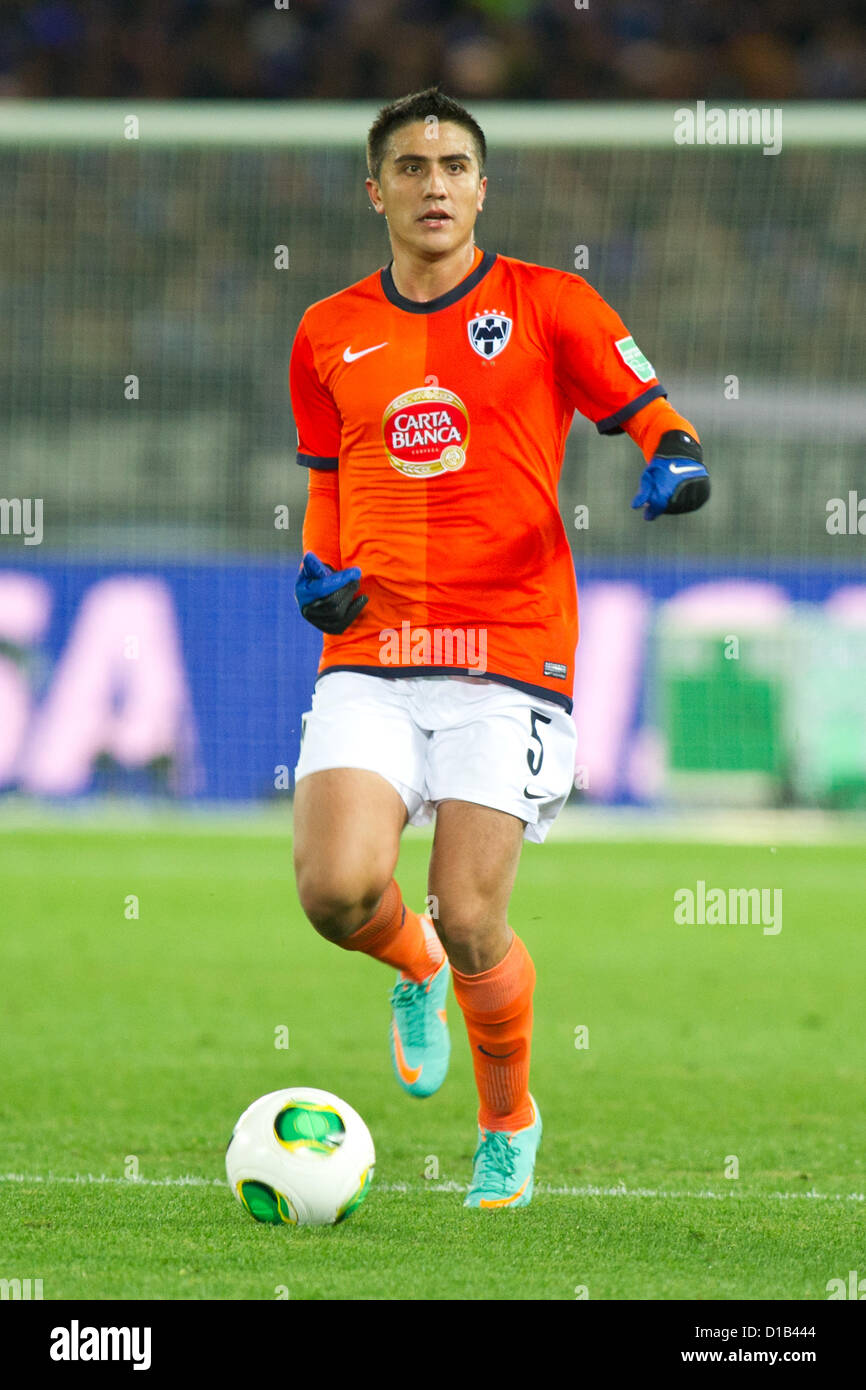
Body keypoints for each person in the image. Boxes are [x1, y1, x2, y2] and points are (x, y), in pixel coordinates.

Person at [289, 86, 709, 1209]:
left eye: (455, 166)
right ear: (374, 189)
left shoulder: (548, 303)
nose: (435, 184)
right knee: (335, 891)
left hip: (510, 649)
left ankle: (506, 1116)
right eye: (413, 167)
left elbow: (652, 410)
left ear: (482, 187)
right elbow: (327, 489)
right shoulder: (328, 330)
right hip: (373, 649)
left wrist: (670, 457)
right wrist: (318, 576)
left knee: (472, 914)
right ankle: (408, 962)